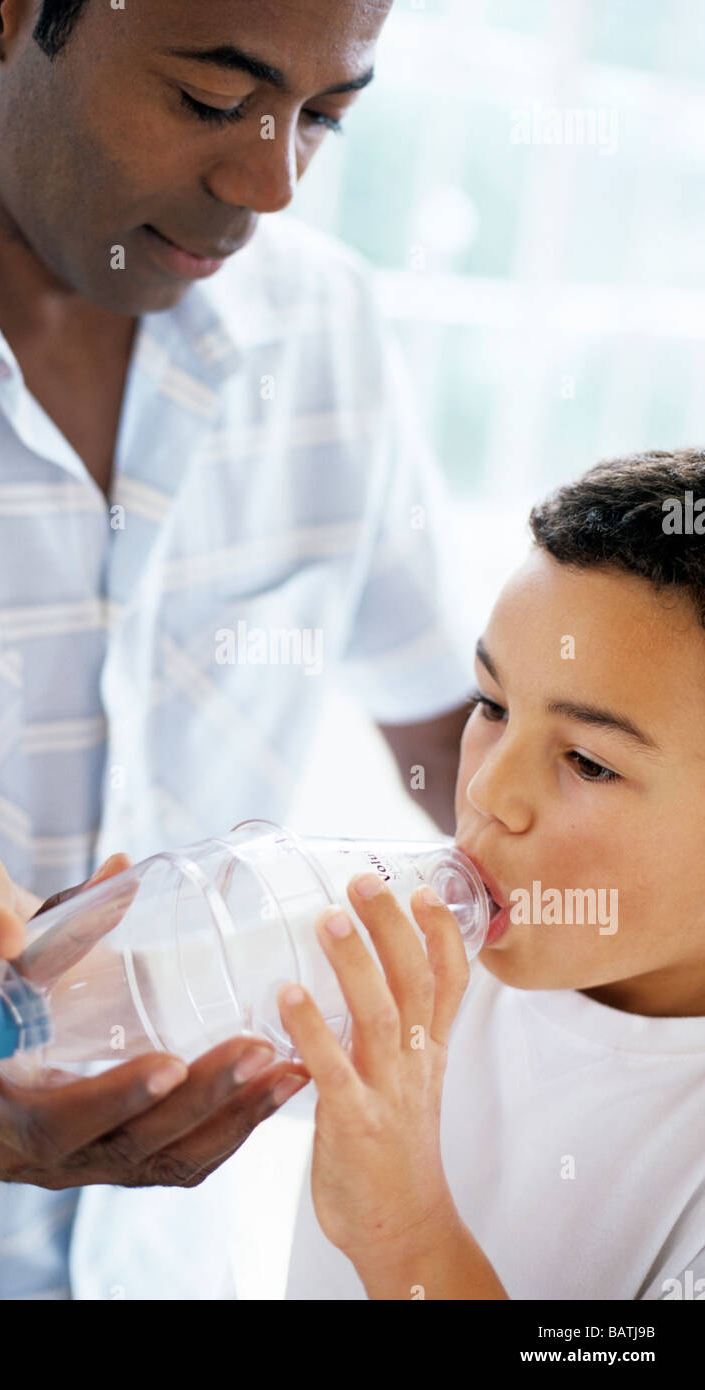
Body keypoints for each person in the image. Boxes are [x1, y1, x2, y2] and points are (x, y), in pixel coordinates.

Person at [0, 0, 473, 1299]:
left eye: (325, 118)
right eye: (206, 99)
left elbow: (467, 754)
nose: (272, 181)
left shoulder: (328, 337)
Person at [285, 450, 705, 1300]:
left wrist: (402, 1235)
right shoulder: (416, 944)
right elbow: (127, 1008)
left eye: (587, 762)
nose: (484, 791)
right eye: (492, 705)